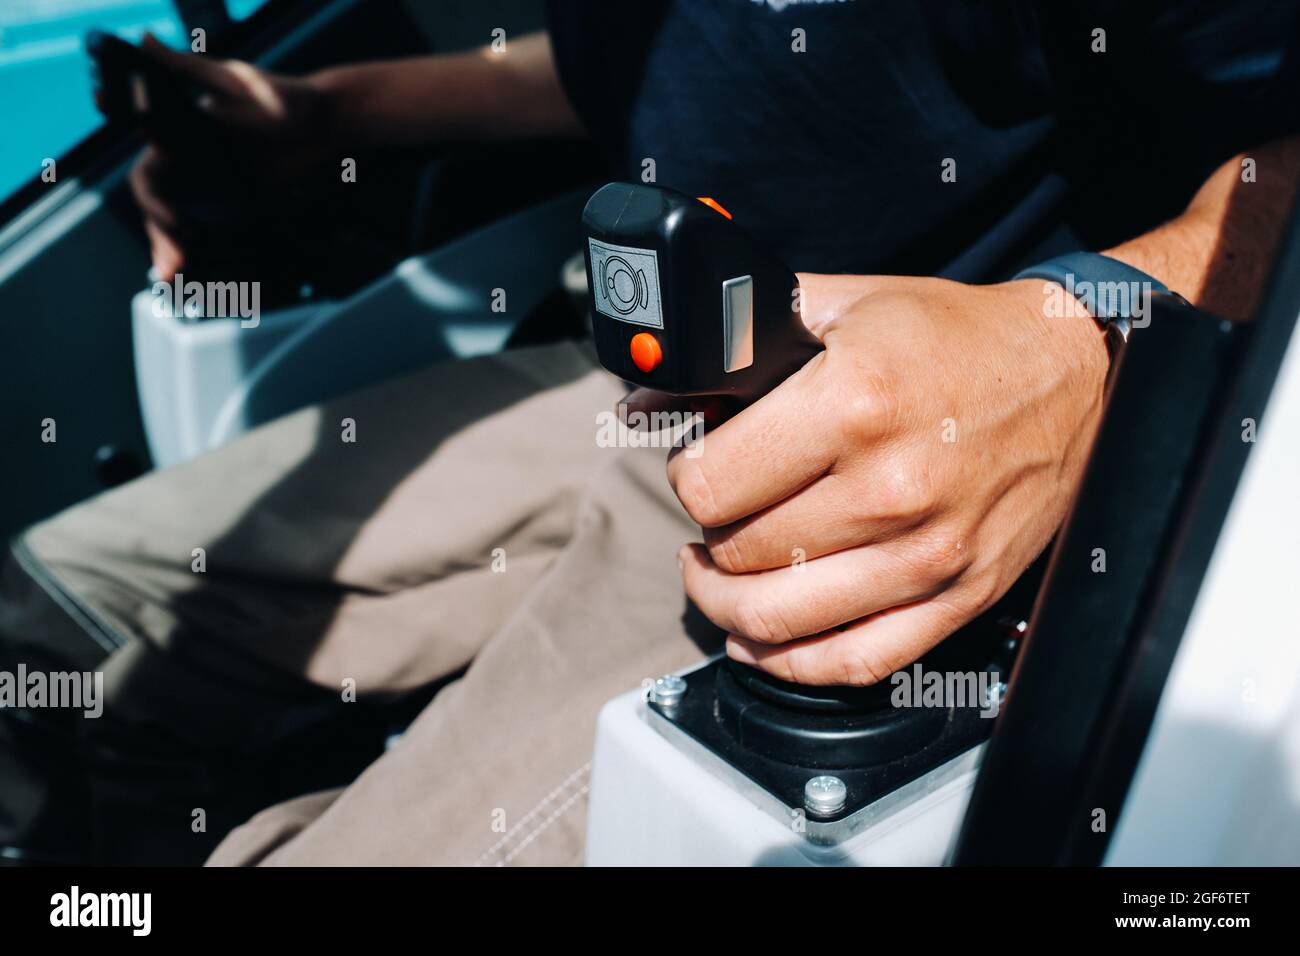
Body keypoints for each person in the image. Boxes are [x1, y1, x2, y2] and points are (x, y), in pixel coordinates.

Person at [2, 1, 1298, 866]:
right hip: (617, 379)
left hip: (875, 441)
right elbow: (618, 58)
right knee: (47, 616)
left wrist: (1089, 334)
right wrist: (330, 116)